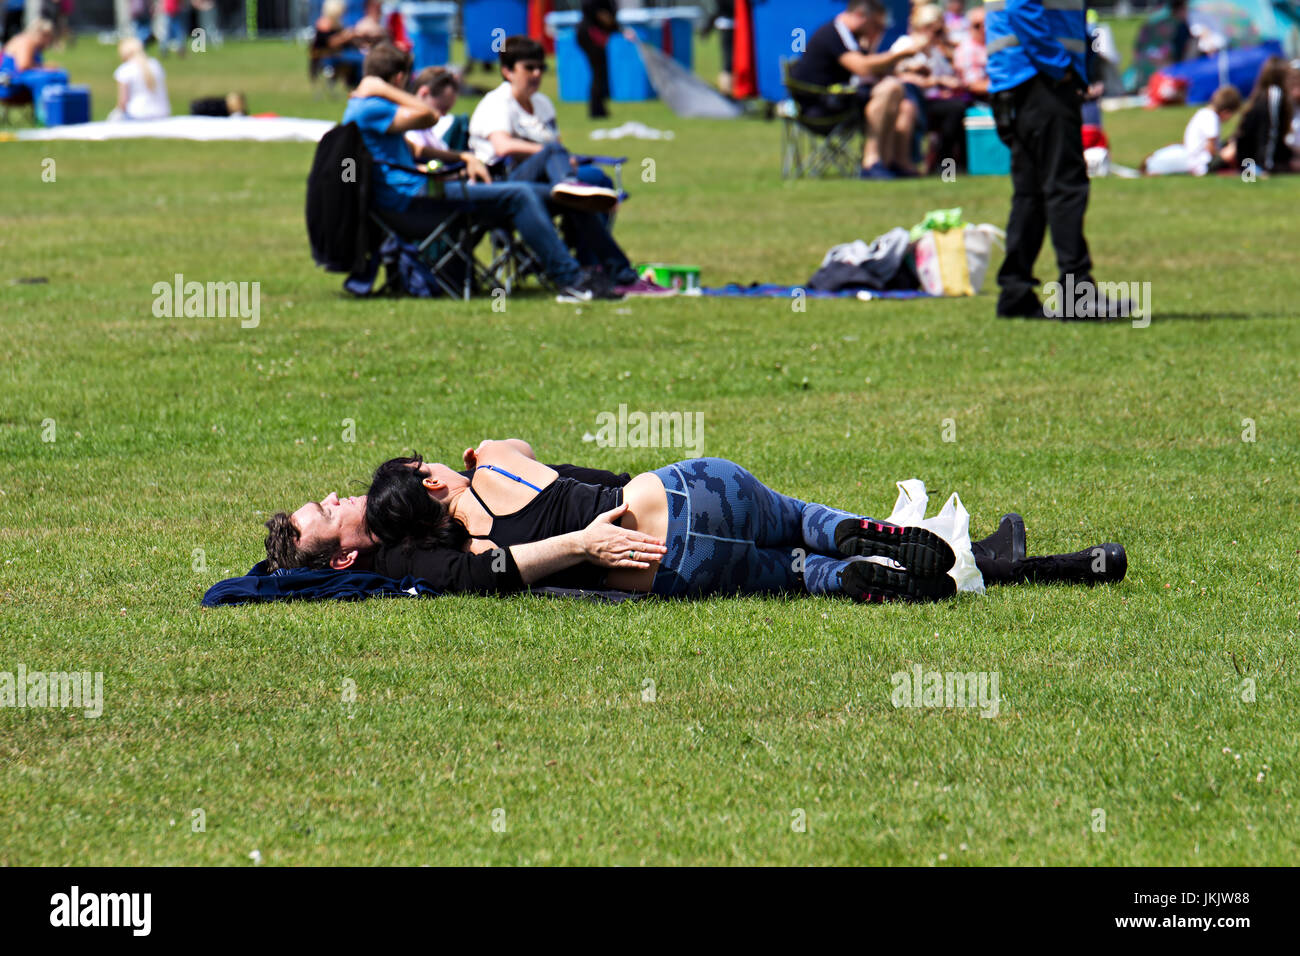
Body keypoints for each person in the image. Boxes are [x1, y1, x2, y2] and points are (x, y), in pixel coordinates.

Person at [347, 444, 1127, 602]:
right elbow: (599, 481)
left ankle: (843, 573)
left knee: (790, 573)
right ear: (430, 477)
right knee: (801, 516)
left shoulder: (481, 553)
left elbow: (488, 573)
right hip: (681, 490)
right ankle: (847, 536)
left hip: (663, 563)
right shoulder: (501, 458)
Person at [344, 42, 645, 301]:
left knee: (566, 195)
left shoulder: (370, 109)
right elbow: (428, 115)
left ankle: (618, 272)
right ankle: (571, 280)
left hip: (420, 195)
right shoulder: (370, 107)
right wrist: (383, 89)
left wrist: (461, 156)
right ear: (398, 78)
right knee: (521, 194)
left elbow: (416, 150)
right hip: (414, 202)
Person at [987, 0, 1118, 319]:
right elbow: (1021, 8)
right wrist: (1062, 68)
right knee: (1066, 186)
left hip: (1019, 79)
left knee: (1031, 193)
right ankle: (1077, 294)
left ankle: (1015, 293)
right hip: (1041, 79)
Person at [469, 35, 620, 210]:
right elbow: (502, 146)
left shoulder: (543, 103)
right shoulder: (497, 101)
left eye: (542, 68)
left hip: (543, 173)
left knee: (598, 179)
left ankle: (588, 230)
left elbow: (556, 143)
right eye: (529, 68)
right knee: (564, 162)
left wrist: (562, 158)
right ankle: (569, 186)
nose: (537, 74)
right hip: (502, 178)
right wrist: (548, 152)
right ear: (507, 71)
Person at [787, 0, 926, 180]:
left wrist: (907, 69)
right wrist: (900, 55)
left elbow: (870, 72)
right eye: (876, 25)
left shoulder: (852, 38)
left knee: (905, 102)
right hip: (821, 108)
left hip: (839, 100)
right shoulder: (833, 33)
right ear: (861, 16)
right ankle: (871, 161)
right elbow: (863, 67)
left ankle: (893, 161)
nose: (878, 30)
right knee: (890, 88)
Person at [891, 3, 967, 174]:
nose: (938, 35)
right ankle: (945, 166)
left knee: (958, 109)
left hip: (932, 102)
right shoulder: (904, 44)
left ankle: (953, 166)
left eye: (941, 30)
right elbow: (895, 74)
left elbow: (950, 77)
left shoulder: (936, 50)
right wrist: (935, 80)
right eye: (936, 31)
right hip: (912, 102)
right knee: (956, 109)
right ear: (923, 27)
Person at [1141, 86, 1240, 176]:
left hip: (1194, 159)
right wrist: (1223, 155)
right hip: (1202, 164)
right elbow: (1211, 148)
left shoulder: (1203, 113)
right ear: (1226, 113)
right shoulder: (1211, 118)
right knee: (1233, 146)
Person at [1227, 57, 1294, 176]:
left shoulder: (1264, 93)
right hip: (1252, 161)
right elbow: (1269, 133)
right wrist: (1267, 167)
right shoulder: (1274, 94)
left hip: (1252, 158)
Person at [109, 36, 170, 120]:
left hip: (137, 114)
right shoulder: (156, 65)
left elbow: (123, 102)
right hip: (162, 112)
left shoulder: (125, 69)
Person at [577, 0, 618, 119]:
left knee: (600, 72)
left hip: (592, 33)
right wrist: (612, 23)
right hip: (590, 34)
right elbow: (599, 13)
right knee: (598, 73)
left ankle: (599, 107)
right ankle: (596, 110)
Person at [313, 0, 365, 88]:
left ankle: (356, 84)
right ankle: (356, 85)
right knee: (360, 60)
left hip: (339, 54)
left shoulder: (338, 24)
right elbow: (330, 43)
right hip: (328, 57)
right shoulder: (324, 25)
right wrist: (345, 37)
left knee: (361, 57)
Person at [952, 4, 988, 101]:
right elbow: (974, 85)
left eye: (986, 24)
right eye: (977, 26)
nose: (983, 29)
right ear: (969, 27)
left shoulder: (989, 44)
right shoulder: (968, 49)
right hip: (978, 101)